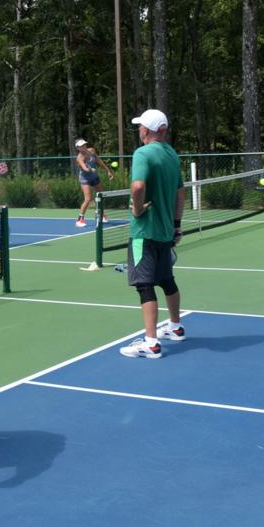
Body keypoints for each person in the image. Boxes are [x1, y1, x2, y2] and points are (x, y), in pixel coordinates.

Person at [118, 110, 186, 360]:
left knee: (144, 285)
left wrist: (136, 209)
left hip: (143, 232)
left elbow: (137, 186)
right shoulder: (171, 154)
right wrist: (176, 225)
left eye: (140, 127)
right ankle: (176, 327)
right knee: (167, 280)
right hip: (167, 231)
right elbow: (181, 192)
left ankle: (151, 343)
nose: (138, 130)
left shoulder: (142, 153)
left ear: (147, 130)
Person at [74, 138, 117, 228]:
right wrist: (88, 169)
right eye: (81, 146)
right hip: (85, 179)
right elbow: (84, 168)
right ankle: (80, 219)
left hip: (94, 176)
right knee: (88, 199)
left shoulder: (91, 151)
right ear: (78, 148)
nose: (84, 146)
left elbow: (99, 161)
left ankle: (100, 215)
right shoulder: (79, 158)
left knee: (101, 196)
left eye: (84, 144)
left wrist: (108, 171)